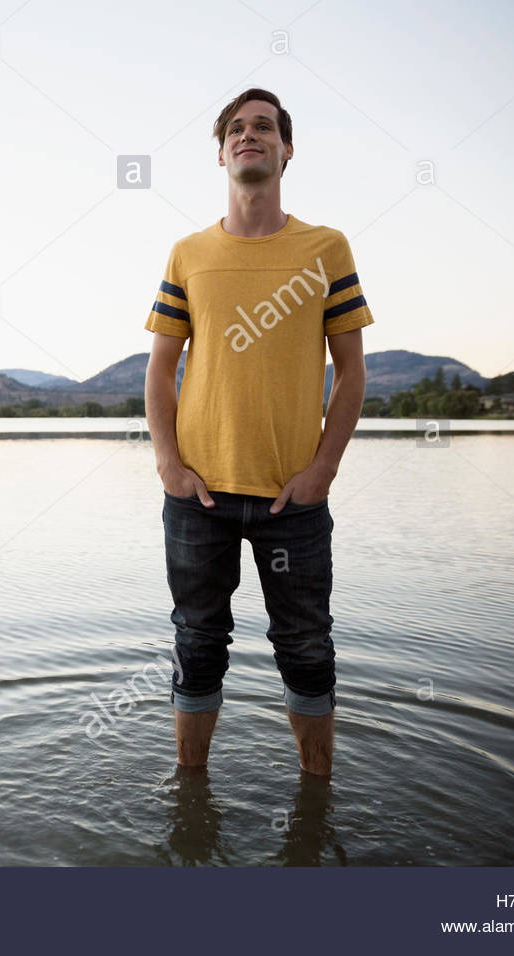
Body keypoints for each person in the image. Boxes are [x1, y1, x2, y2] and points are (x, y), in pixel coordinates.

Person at [143, 88, 374, 777]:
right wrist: (169, 465)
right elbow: (160, 372)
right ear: (221, 153)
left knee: (306, 646)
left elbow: (353, 373)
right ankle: (190, 790)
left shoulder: (326, 249)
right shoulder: (188, 254)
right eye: (237, 129)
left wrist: (322, 471)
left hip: (293, 502)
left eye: (264, 127)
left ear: (286, 150)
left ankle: (316, 794)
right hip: (199, 498)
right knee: (197, 641)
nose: (250, 135)